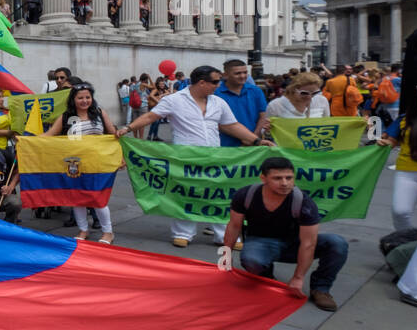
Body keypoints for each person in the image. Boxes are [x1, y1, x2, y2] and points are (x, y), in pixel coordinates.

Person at [118, 65, 273, 248]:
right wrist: (128, 129)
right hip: (185, 157)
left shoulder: (218, 102)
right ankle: (183, 232)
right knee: (185, 193)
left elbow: (231, 125)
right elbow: (151, 117)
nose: (218, 85)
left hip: (214, 155)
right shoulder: (174, 100)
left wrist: (256, 141)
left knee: (219, 194)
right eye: (215, 82)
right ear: (201, 82)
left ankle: (224, 234)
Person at [223, 157, 348, 312]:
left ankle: (321, 289)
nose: (285, 183)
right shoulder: (246, 195)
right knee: (252, 260)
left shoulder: (303, 202)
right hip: (261, 241)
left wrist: (297, 278)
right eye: (277, 178)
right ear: (263, 178)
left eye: (289, 178)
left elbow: (308, 243)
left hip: (294, 244)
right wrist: (225, 257)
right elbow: (234, 226)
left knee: (337, 243)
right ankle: (266, 278)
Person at [40, 82, 116, 242]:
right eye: (80, 98)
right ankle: (83, 230)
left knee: (98, 198)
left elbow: (113, 135)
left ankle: (108, 232)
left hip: (98, 163)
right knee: (77, 197)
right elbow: (49, 135)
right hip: (75, 164)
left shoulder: (99, 113)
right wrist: (26, 140)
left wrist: (120, 155)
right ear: (73, 99)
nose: (84, 101)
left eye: (88, 97)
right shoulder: (67, 117)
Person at [379, 86, 417, 232]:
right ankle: (405, 241)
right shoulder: (404, 119)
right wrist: (384, 143)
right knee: (400, 211)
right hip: (406, 172)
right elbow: (392, 141)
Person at [215, 59, 269, 147]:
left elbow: (263, 116)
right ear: (225, 75)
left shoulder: (256, 91)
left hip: (253, 144)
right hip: (225, 145)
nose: (242, 76)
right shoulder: (216, 93)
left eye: (245, 72)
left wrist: (253, 138)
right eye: (237, 73)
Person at [266, 72, 331, 120]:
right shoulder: (275, 105)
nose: (310, 97)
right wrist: (267, 130)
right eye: (304, 93)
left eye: (315, 93)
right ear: (293, 89)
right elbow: (266, 132)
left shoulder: (322, 100)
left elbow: (326, 124)